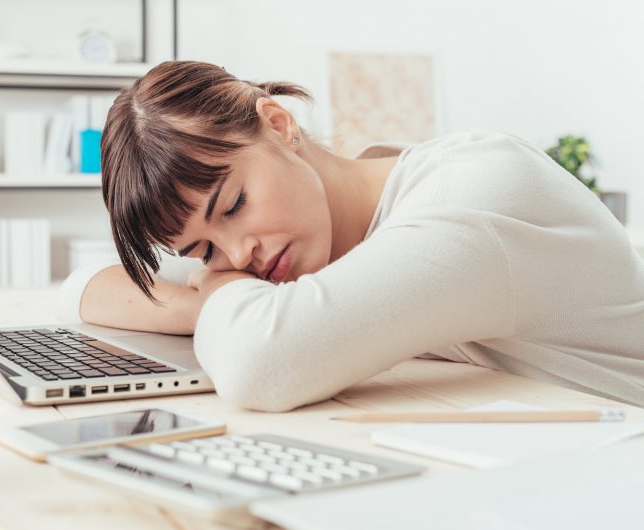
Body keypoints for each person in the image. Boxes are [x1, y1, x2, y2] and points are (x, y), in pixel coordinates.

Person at [57, 61, 644, 412]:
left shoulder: (469, 200)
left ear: (279, 125)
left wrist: (220, 292)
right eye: (202, 251)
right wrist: (212, 299)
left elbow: (260, 362)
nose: (237, 255)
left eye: (234, 205)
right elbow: (84, 288)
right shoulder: (313, 237)